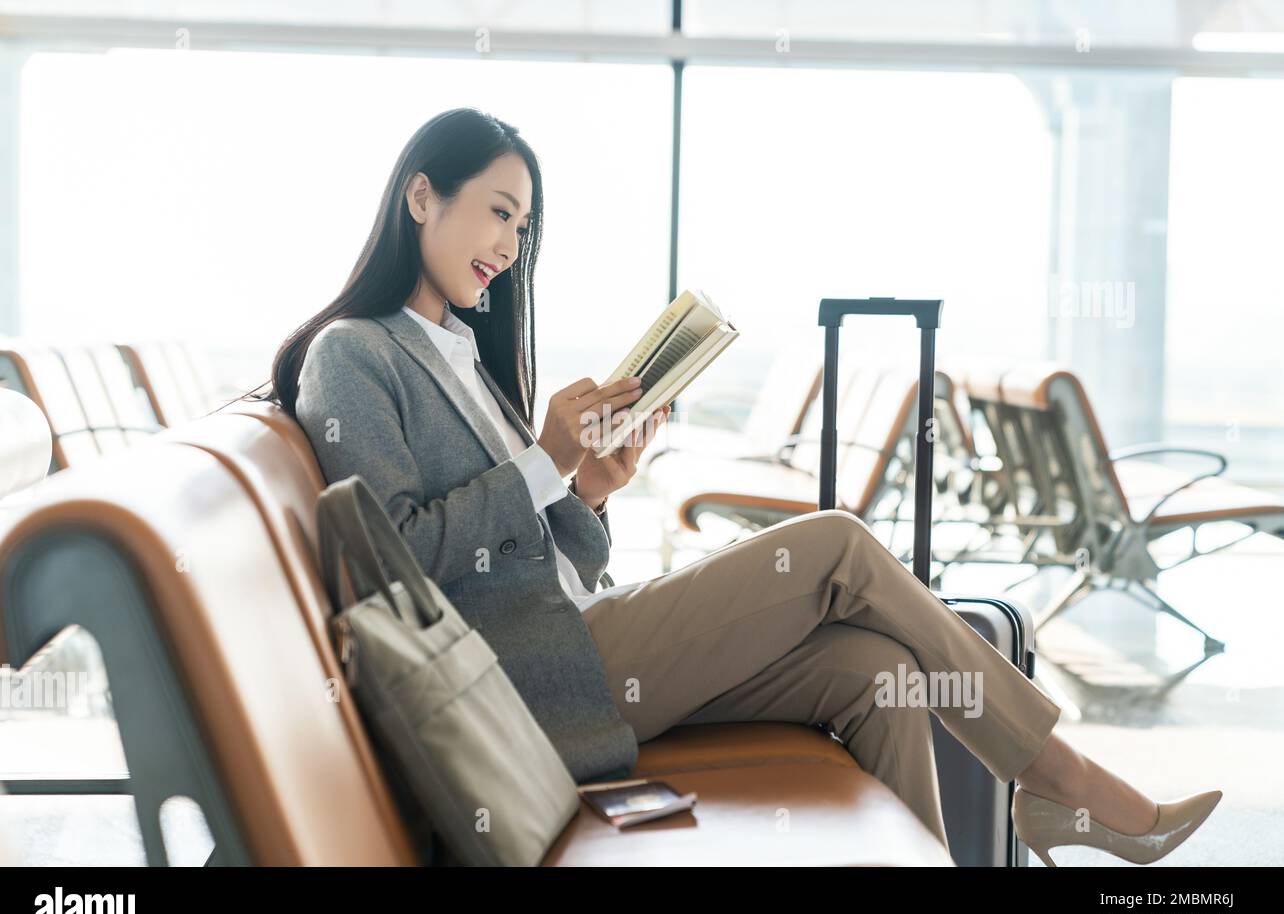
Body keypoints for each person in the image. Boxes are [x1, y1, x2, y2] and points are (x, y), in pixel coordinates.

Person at [243, 107, 1220, 866]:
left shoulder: (463, 352)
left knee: (878, 673)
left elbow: (553, 548)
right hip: (532, 677)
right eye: (497, 211)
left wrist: (588, 489)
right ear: (421, 196)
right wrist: (543, 459)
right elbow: (406, 556)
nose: (508, 244)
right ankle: (1058, 775)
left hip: (582, 636)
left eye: (522, 225)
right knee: (836, 541)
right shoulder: (353, 356)